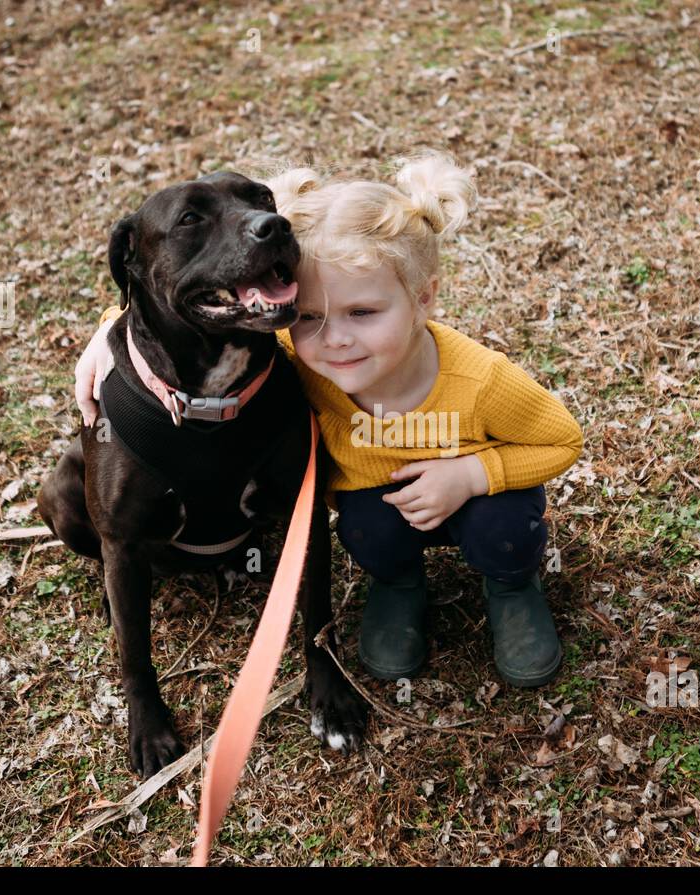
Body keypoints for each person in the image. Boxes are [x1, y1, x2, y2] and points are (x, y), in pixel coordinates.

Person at [74, 148, 584, 688]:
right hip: (388, 507)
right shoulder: (303, 359)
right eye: (310, 315)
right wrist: (107, 332)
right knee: (364, 522)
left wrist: (472, 474)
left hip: (482, 501)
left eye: (362, 312)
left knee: (501, 527)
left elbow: (563, 441)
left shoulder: (480, 381)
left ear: (423, 300)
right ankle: (398, 584)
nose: (336, 338)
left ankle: (512, 588)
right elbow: (153, 312)